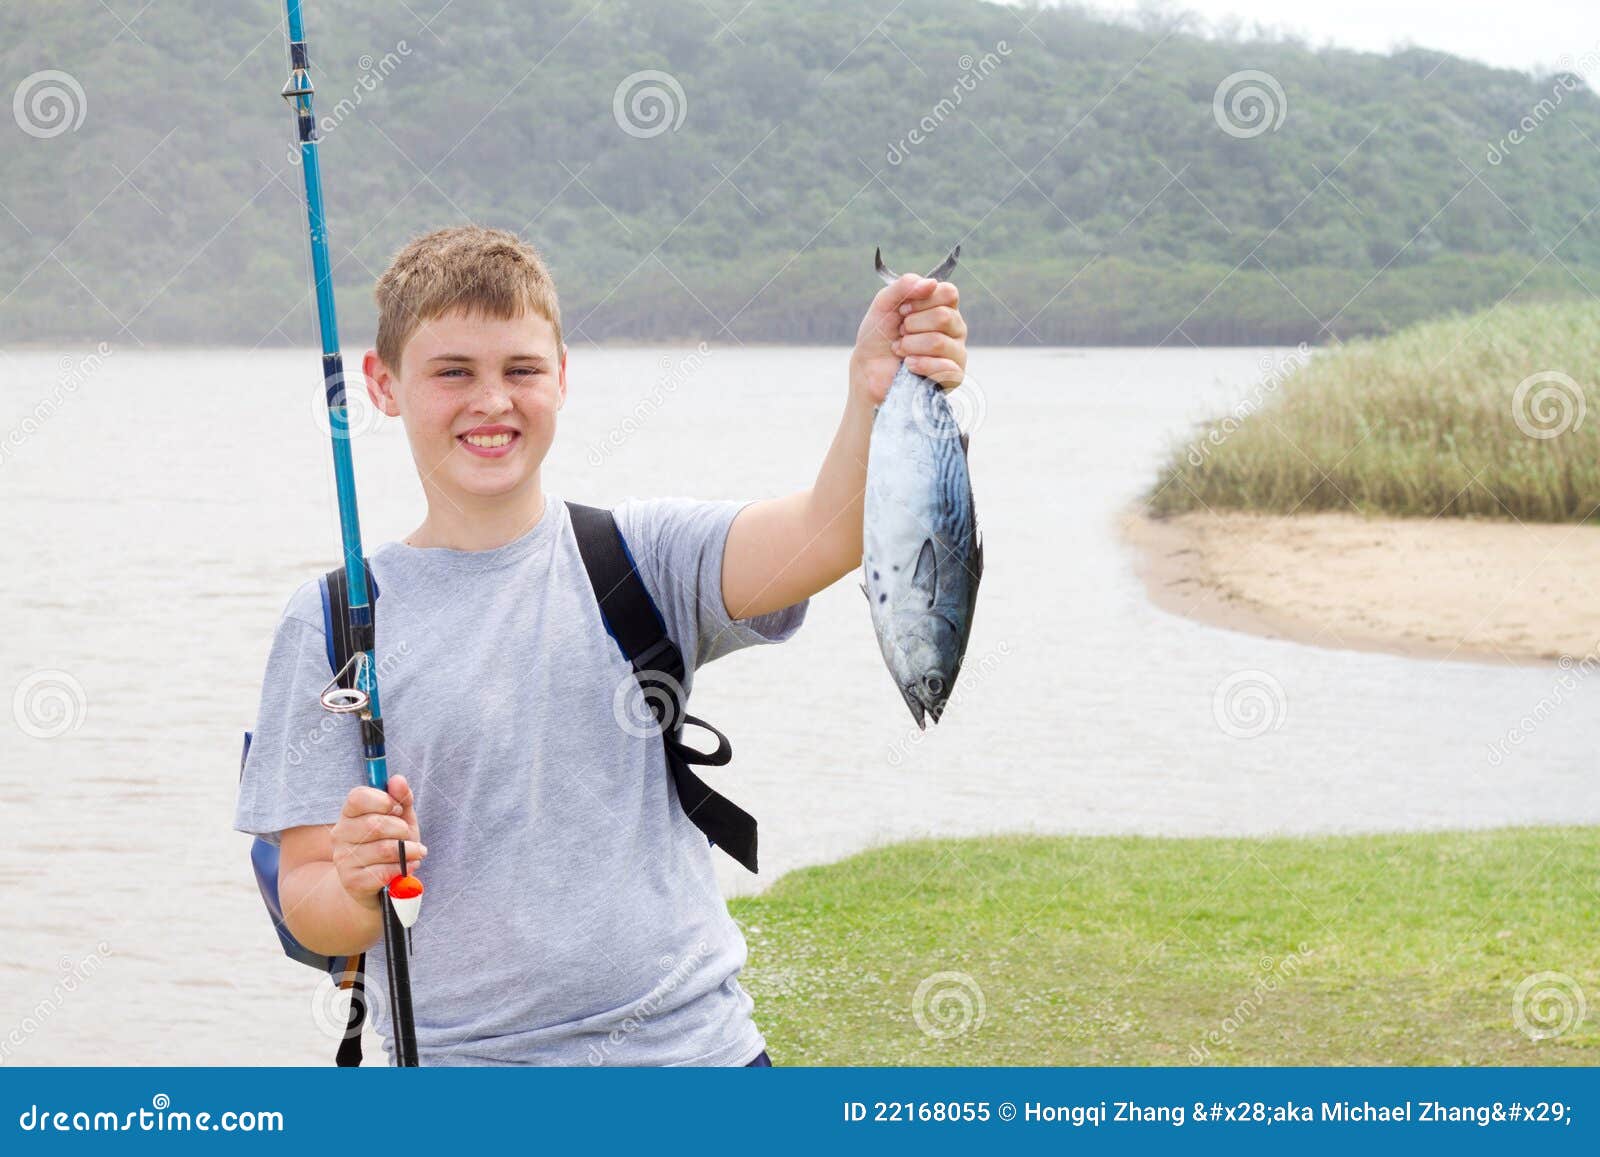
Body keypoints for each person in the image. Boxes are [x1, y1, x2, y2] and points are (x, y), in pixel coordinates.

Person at [234, 225, 968, 1066]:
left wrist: (872, 391)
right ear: (383, 383)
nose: (491, 401)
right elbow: (307, 900)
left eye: (521, 370)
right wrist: (359, 883)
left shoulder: (643, 555)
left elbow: (827, 533)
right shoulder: (329, 620)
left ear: (563, 375)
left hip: (699, 1060)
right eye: (452, 372)